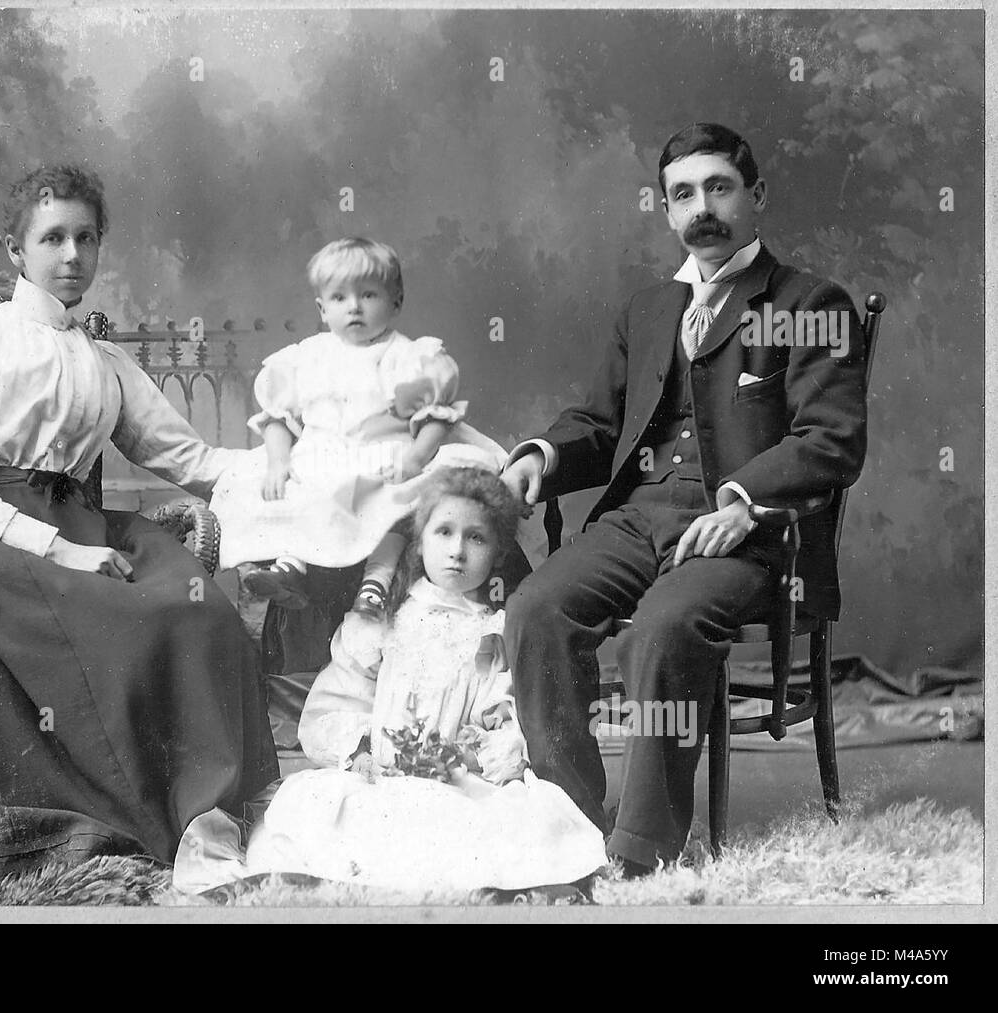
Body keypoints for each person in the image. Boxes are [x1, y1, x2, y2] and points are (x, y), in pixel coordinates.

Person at [500, 123, 867, 875]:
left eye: (719, 187)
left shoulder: (808, 301)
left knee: (663, 628)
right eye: (683, 194)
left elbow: (831, 440)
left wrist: (742, 498)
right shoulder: (647, 310)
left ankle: (640, 847)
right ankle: (564, 819)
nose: (702, 207)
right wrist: (543, 453)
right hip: (639, 514)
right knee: (535, 610)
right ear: (666, 212)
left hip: (752, 530)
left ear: (756, 196)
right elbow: (603, 425)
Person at [0, 164, 279, 874]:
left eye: (86, 237)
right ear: (17, 252)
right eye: (52, 238)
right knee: (123, 621)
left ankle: (212, 813)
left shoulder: (103, 361)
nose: (72, 255)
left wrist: (310, 460)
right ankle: (141, 820)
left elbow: (194, 458)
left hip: (81, 523)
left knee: (201, 611)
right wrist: (58, 550)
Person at [174, 468, 607, 895]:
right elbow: (338, 702)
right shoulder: (384, 622)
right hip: (379, 777)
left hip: (457, 782)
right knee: (323, 814)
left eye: (476, 538)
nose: (457, 550)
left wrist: (473, 754)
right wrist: (362, 752)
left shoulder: (495, 633)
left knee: (490, 835)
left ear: (497, 553)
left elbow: (507, 720)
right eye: (444, 533)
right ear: (420, 542)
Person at [209, 237, 506, 619]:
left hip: (385, 455)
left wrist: (416, 457)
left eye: (368, 295)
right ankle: (288, 569)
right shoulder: (306, 358)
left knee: (389, 505)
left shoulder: (409, 357)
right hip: (321, 455)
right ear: (322, 308)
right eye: (339, 298)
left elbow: (436, 416)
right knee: (289, 492)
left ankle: (375, 583)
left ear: (395, 301)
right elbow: (278, 417)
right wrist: (278, 461)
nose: (354, 307)